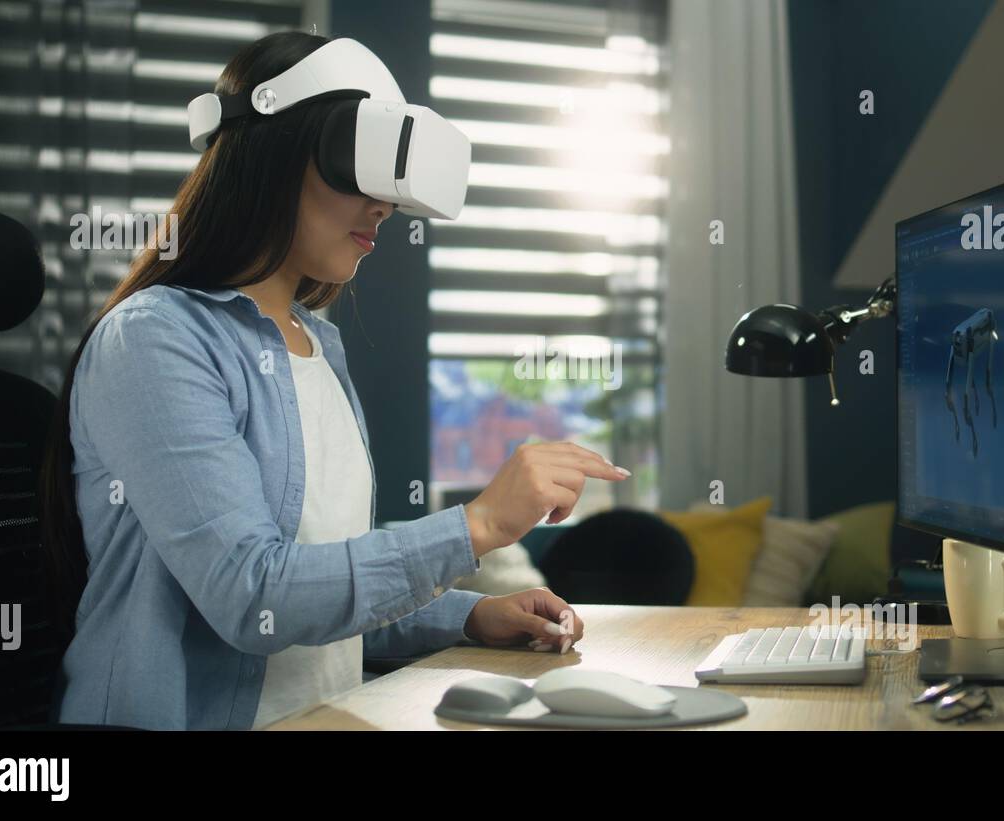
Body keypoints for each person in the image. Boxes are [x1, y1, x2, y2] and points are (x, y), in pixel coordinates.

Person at [39, 31, 628, 730]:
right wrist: (480, 524)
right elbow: (253, 593)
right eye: (360, 165)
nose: (382, 205)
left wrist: (468, 612)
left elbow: (321, 593)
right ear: (275, 152)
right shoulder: (154, 339)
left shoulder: (318, 341)